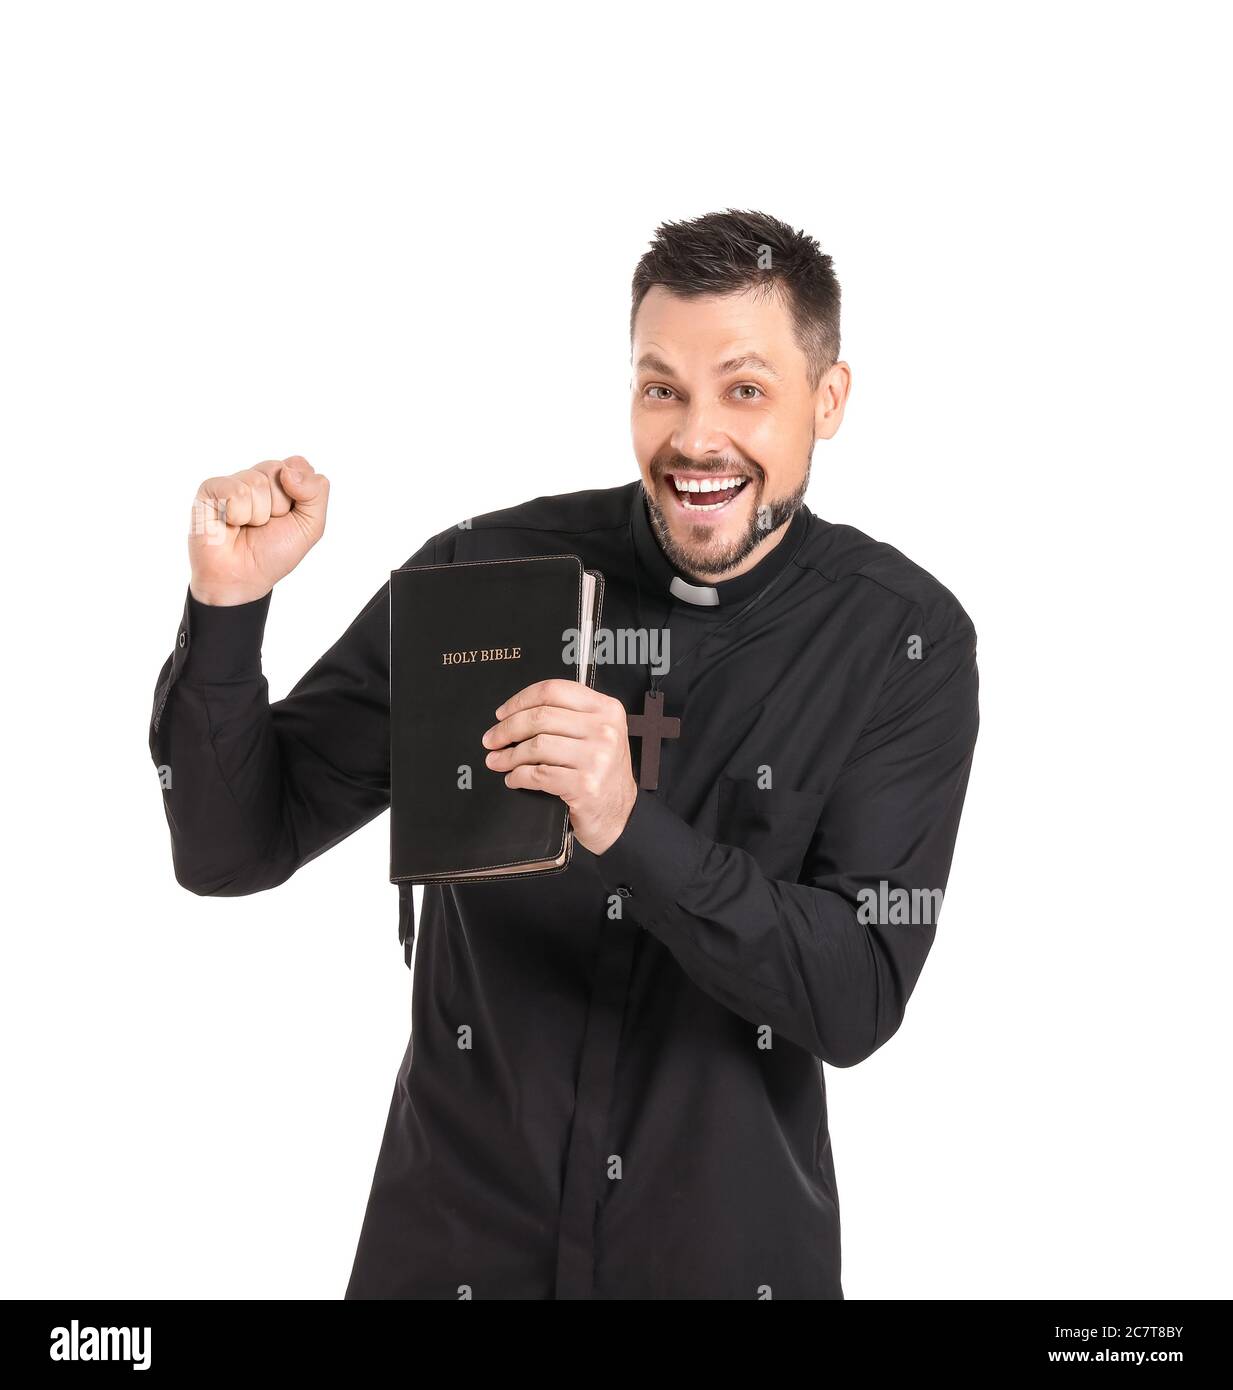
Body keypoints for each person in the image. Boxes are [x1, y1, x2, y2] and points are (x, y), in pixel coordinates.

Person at [149, 208, 980, 1299]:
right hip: (446, 1255)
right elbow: (230, 847)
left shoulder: (901, 642)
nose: (696, 438)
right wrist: (228, 609)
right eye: (661, 387)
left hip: (722, 1267)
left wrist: (632, 830)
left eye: (745, 389)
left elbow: (857, 996)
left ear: (827, 400)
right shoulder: (479, 573)